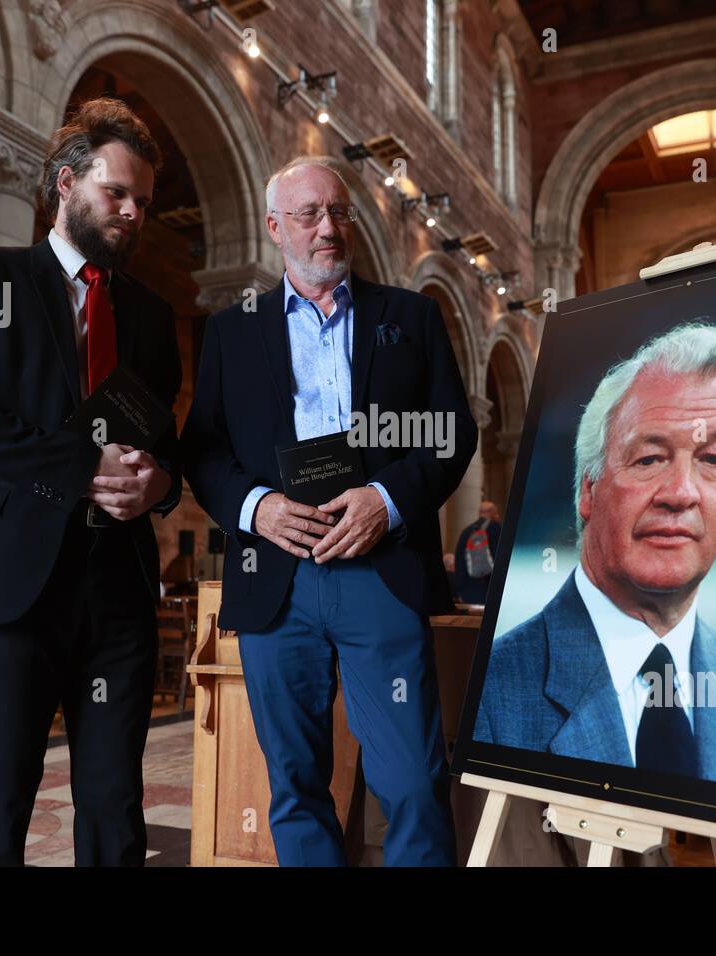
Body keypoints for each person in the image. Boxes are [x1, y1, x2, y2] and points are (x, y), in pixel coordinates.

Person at [0, 99, 183, 865]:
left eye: (143, 203)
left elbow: (166, 448)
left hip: (117, 589)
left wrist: (158, 485)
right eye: (116, 193)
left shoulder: (152, 317)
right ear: (66, 183)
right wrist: (81, 465)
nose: (132, 212)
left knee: (114, 811)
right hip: (6, 585)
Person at [181, 156, 476, 865]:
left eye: (339, 213)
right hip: (277, 578)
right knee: (295, 785)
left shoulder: (410, 316)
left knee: (411, 779)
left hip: (380, 571)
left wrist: (387, 498)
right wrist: (257, 508)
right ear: (275, 227)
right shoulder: (231, 331)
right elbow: (204, 450)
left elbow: (452, 430)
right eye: (309, 215)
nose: (328, 229)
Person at [474, 322, 716, 794]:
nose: (681, 494)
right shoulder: (488, 699)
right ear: (589, 488)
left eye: (714, 459)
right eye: (649, 458)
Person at [451, 500, 502, 605]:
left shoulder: (466, 532)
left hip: (467, 589)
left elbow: (458, 561)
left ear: (479, 513)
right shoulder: (497, 529)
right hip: (490, 589)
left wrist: (459, 589)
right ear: (493, 513)